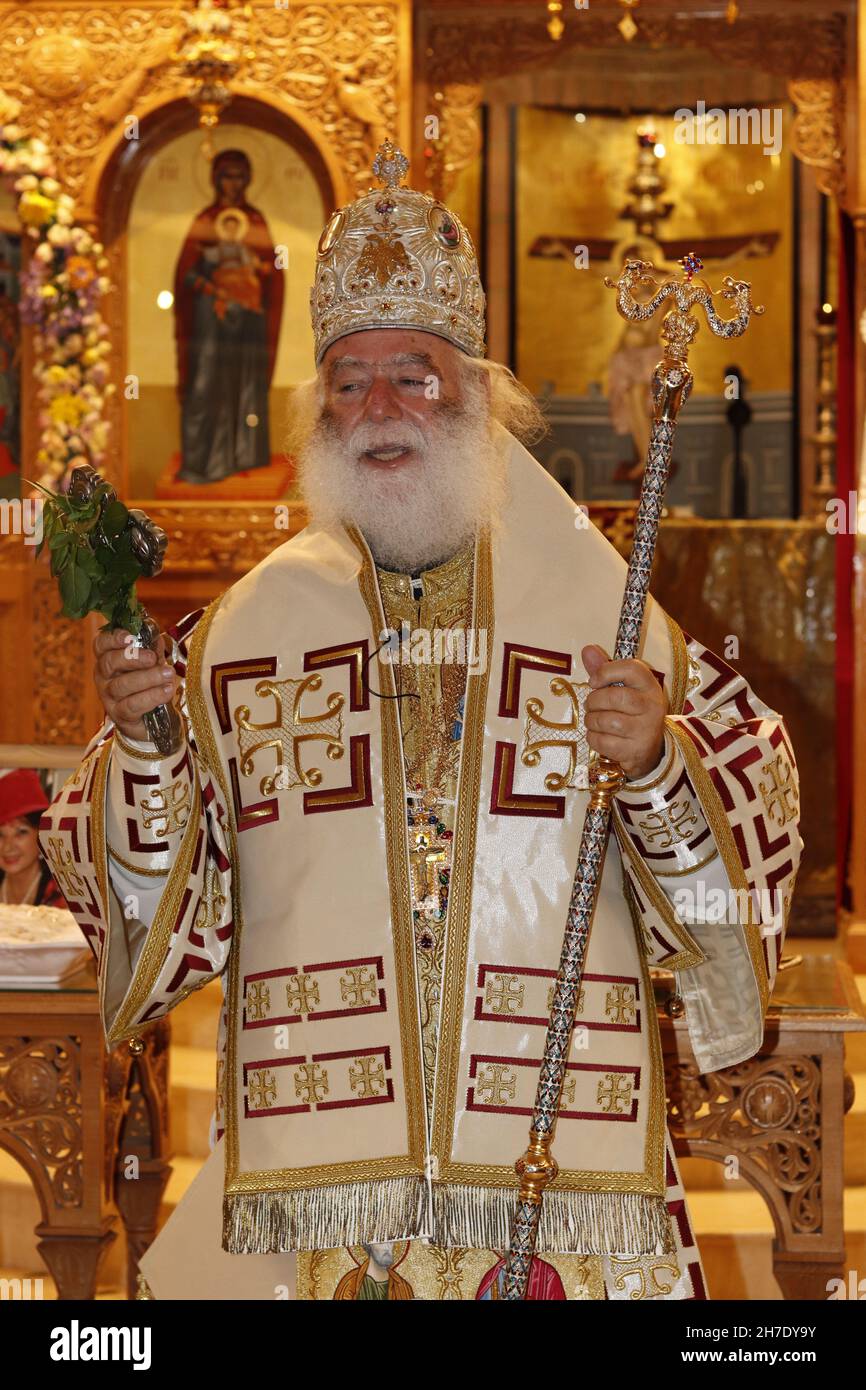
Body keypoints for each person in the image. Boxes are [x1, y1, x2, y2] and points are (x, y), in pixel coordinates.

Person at [42, 140, 801, 1301]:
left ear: (477, 397)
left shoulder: (602, 604)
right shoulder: (250, 627)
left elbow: (753, 818)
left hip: (557, 1166)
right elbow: (149, 912)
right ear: (315, 413)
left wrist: (655, 763)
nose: (378, 407)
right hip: (326, 1169)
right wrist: (148, 747)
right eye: (348, 382)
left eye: (414, 373)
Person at [173, 148, 284, 483]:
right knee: (207, 382)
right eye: (226, 176)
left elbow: (274, 273)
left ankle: (243, 457)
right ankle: (202, 464)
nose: (232, 183)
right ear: (216, 179)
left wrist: (257, 274)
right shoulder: (206, 221)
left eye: (239, 176)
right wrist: (213, 289)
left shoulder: (256, 221)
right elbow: (186, 275)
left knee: (245, 382)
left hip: (248, 321)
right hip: (211, 321)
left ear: (247, 179)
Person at [0, 769, 66, 908]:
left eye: (21, 832)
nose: (8, 847)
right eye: (0, 835)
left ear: (41, 834)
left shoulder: (64, 891)